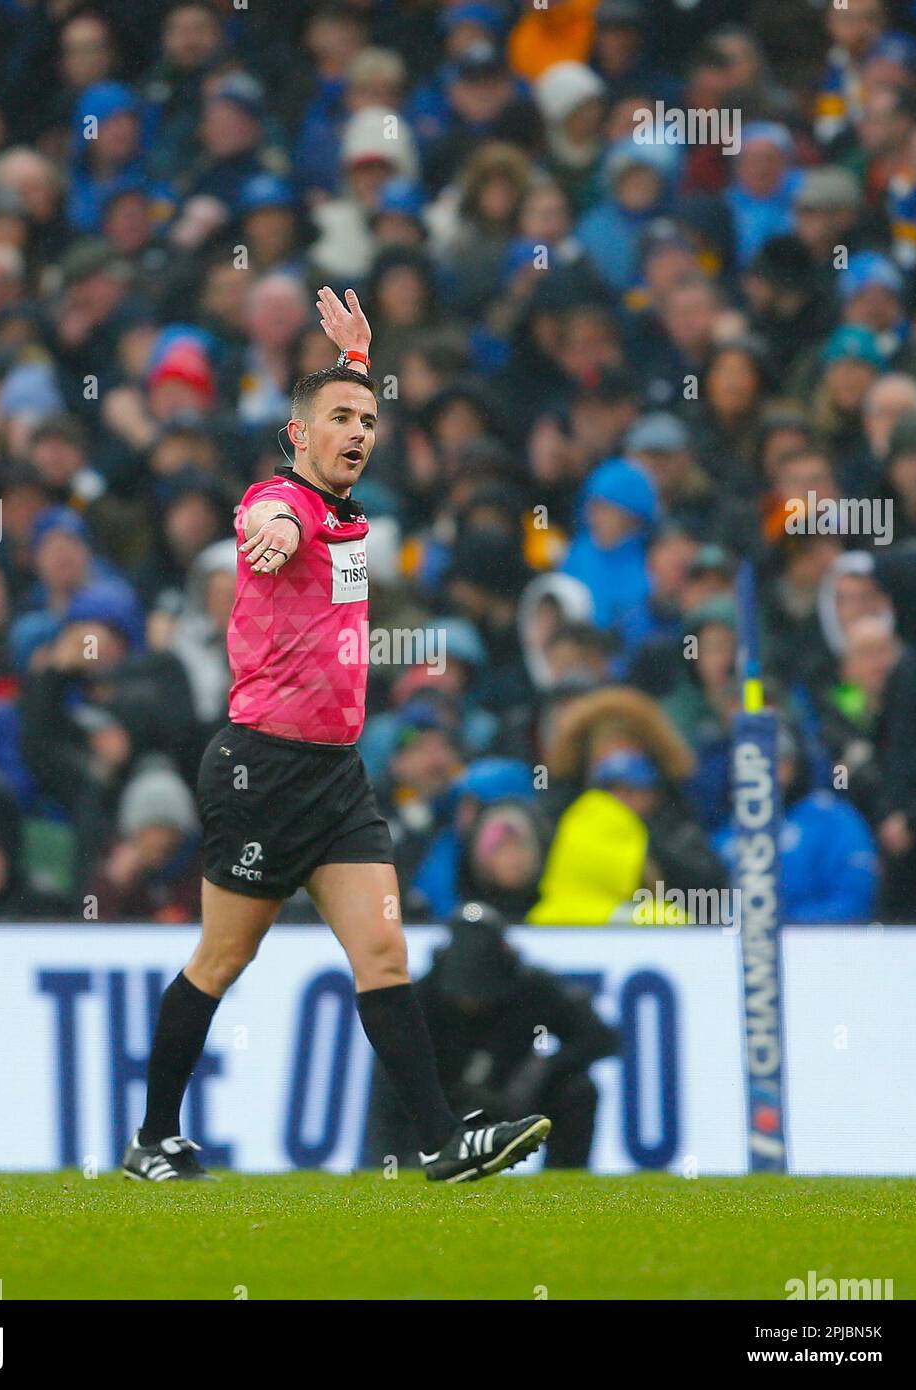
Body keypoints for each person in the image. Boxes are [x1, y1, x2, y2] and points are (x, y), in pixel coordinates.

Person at [124, 287, 551, 1183]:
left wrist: (356, 362)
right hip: (261, 771)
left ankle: (439, 1143)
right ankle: (152, 1138)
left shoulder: (345, 507)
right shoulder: (279, 502)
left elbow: (320, 455)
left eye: (368, 419)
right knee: (223, 956)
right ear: (296, 437)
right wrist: (274, 535)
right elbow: (267, 518)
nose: (358, 430)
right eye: (340, 420)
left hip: (337, 774)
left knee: (385, 953)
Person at [364, 901, 621, 1169]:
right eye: (464, 998)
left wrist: (544, 1069)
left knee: (578, 1089)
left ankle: (565, 1179)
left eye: (481, 997)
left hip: (512, 1099)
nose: (472, 1005)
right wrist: (388, 1164)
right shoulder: (420, 1002)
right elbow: (388, 1089)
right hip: (446, 1108)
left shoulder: (533, 989)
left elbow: (602, 1038)